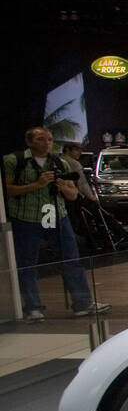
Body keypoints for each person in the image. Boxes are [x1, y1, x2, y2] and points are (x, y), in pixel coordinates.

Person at [3, 127, 110, 322]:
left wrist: (63, 187)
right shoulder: (14, 161)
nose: (46, 143)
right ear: (29, 142)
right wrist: (35, 185)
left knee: (71, 260)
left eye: (50, 139)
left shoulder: (60, 162)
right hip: (26, 218)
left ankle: (82, 303)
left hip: (56, 215)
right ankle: (33, 308)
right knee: (27, 263)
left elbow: (73, 195)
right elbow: (7, 190)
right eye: (40, 139)